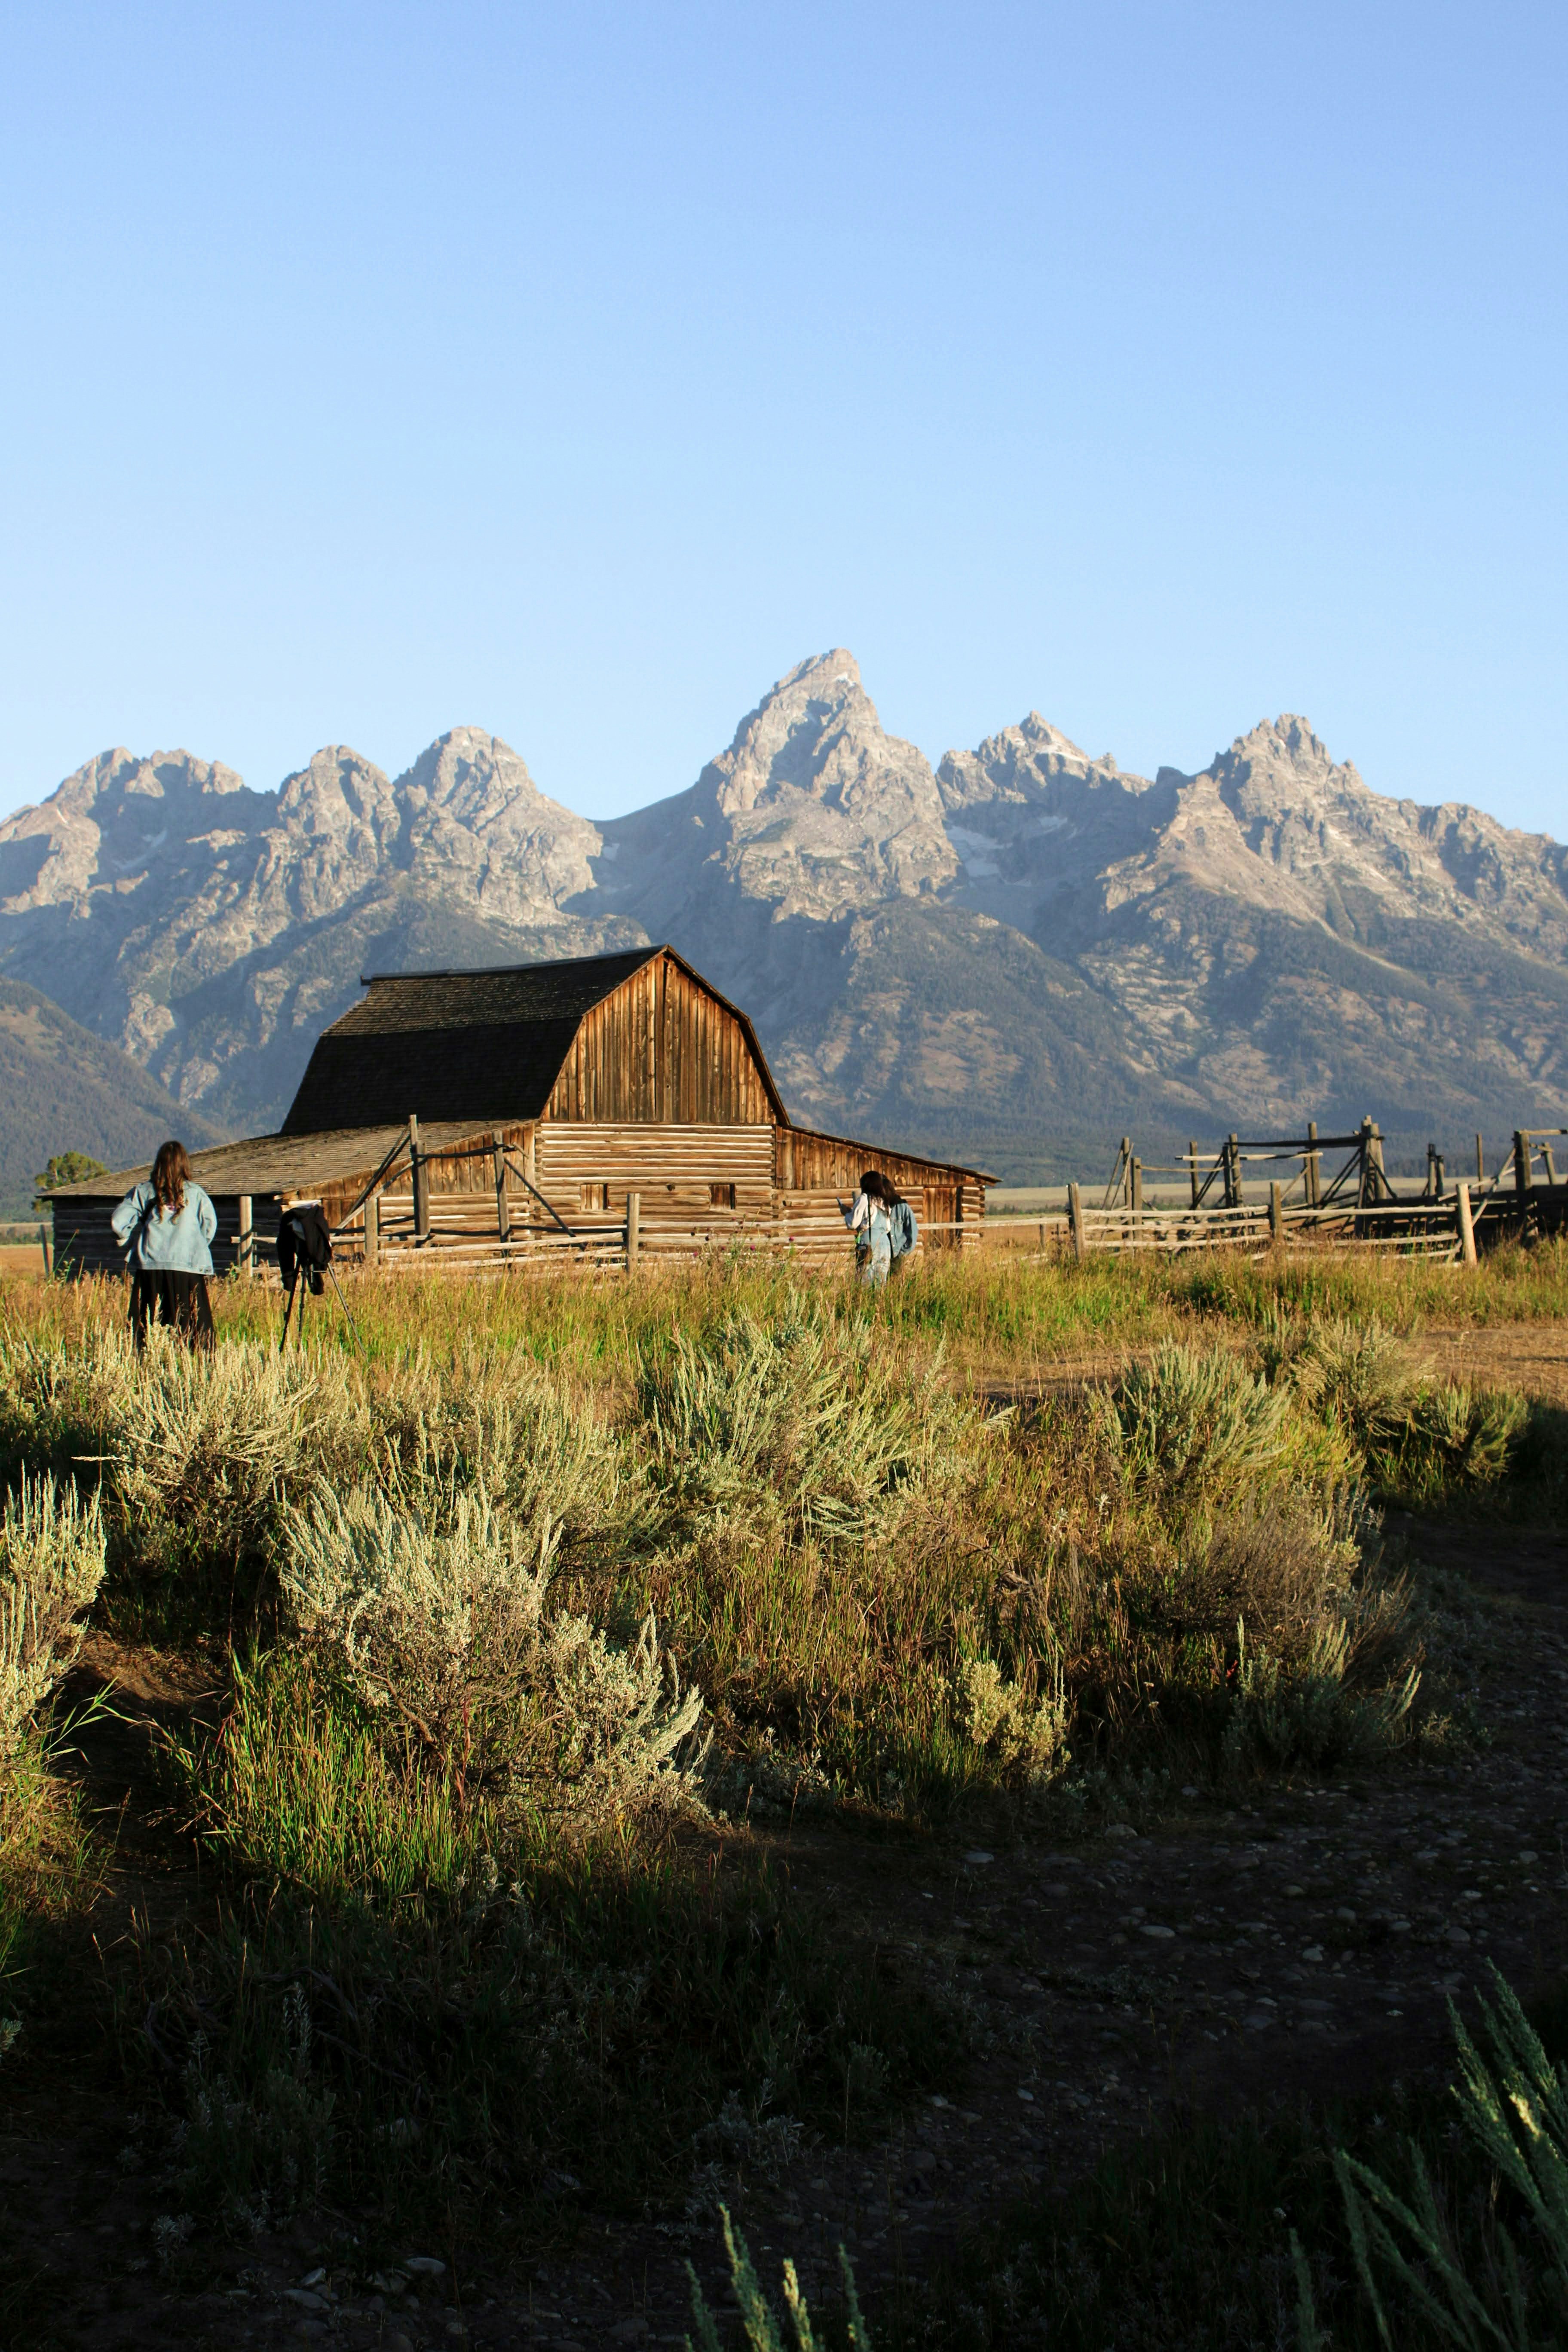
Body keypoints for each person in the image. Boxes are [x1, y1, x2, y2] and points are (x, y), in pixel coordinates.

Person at [111, 1139, 217, 1351]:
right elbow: (210, 1227)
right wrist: (196, 1246)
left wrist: (125, 1238)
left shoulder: (143, 1192)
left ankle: (146, 1368)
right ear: (185, 1165)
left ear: (158, 1164)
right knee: (195, 1332)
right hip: (187, 1269)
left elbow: (118, 1222)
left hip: (151, 1268)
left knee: (147, 1327)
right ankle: (194, 1371)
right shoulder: (196, 1194)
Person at [838, 1169, 894, 1290]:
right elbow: (888, 1227)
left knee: (864, 1279)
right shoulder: (884, 1201)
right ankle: (880, 1306)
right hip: (885, 1244)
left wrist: (846, 1213)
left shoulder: (864, 1198)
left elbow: (853, 1223)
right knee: (881, 1281)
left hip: (869, 1243)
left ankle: (864, 1306)